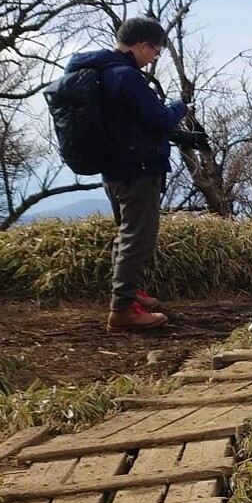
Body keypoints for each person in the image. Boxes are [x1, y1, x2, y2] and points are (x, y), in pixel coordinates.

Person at [64, 17, 189, 331]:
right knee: (138, 237)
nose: (155, 56)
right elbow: (158, 118)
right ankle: (122, 310)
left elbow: (129, 123)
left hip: (114, 168)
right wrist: (181, 107)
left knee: (126, 233)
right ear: (143, 45)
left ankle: (130, 295)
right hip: (139, 170)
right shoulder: (127, 77)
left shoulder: (100, 73)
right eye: (156, 50)